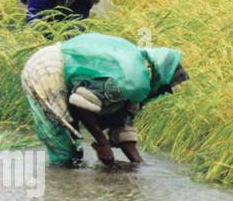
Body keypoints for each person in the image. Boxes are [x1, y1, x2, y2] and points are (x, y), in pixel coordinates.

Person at [21, 32, 189, 167]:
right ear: (161, 78)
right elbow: (81, 104)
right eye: (165, 88)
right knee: (64, 150)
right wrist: (103, 143)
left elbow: (123, 123)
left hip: (61, 67)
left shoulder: (139, 73)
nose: (163, 92)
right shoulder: (132, 79)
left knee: (74, 155)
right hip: (48, 70)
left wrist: (139, 164)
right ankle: (61, 192)